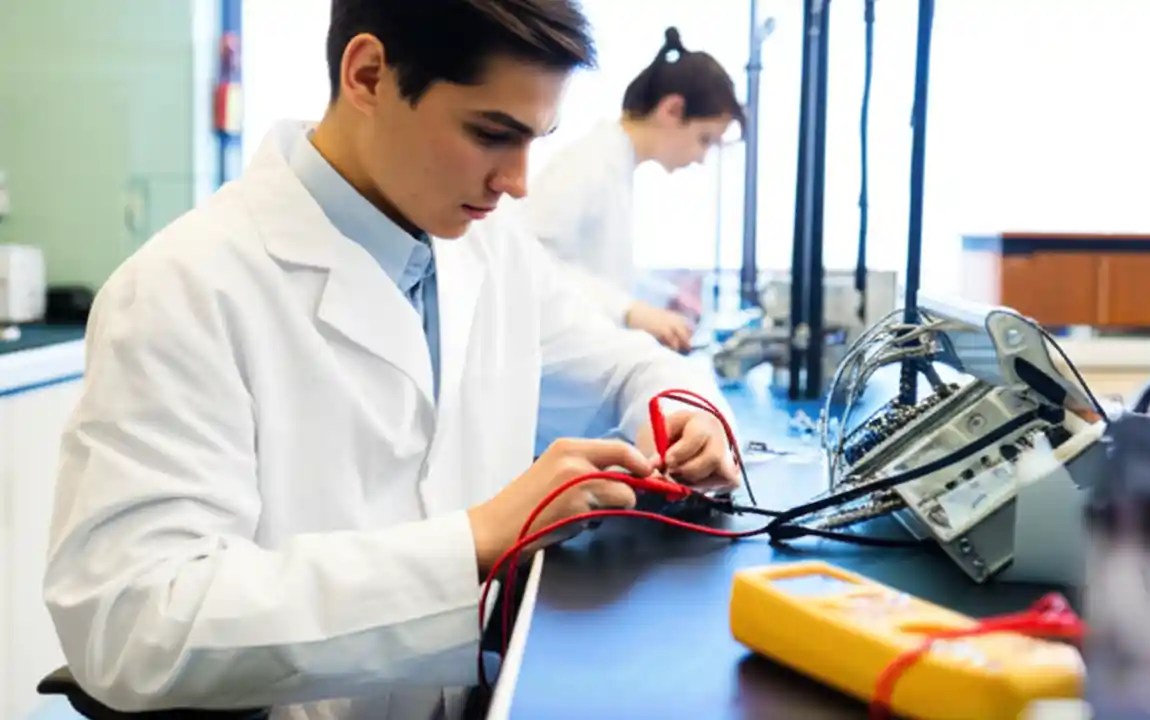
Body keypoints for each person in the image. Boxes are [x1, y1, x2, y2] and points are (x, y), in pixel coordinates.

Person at [42, 2, 739, 719]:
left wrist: (683, 411)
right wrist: (475, 540)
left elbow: (625, 366)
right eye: (492, 133)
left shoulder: (492, 255)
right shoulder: (186, 286)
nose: (520, 181)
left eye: (535, 139)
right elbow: (132, 625)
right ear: (369, 74)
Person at [521, 27, 744, 353]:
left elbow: (596, 271)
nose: (700, 159)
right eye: (704, 139)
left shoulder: (617, 163)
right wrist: (632, 311)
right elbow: (532, 262)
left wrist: (663, 297)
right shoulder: (589, 162)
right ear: (671, 110)